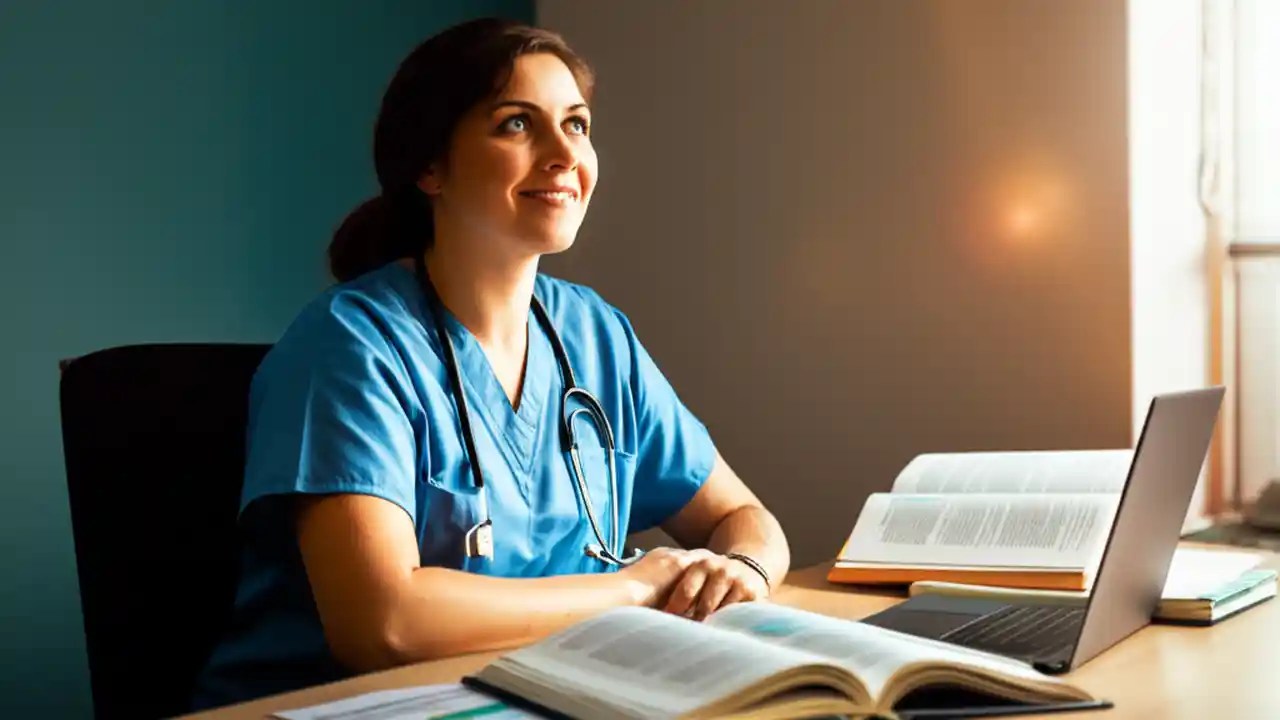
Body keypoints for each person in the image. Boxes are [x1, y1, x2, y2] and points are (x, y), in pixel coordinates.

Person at [192, 17, 790, 710]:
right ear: (428, 166)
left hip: (547, 693)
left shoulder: (595, 336)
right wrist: (638, 588)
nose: (564, 154)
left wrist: (740, 572)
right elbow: (382, 623)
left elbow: (744, 517)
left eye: (577, 124)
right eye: (516, 125)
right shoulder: (350, 346)